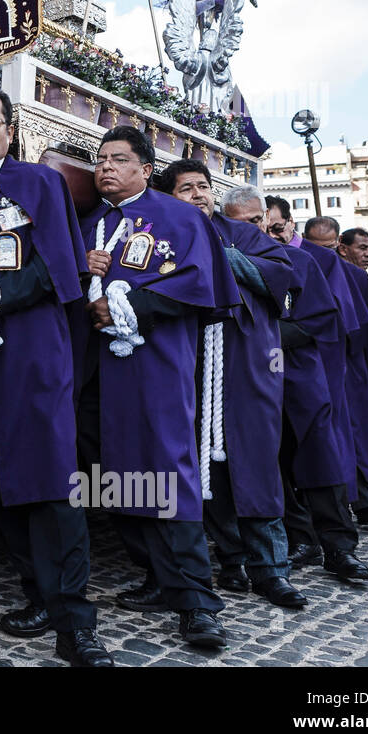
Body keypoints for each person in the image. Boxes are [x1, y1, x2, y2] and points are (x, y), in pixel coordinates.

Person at [0, 83, 112, 665]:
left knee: (51, 482)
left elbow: (62, 271)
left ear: (10, 132)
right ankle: (36, 592)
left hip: (32, 353)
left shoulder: (39, 184)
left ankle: (74, 622)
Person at [78, 127, 238, 649]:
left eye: (119, 160)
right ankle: (155, 574)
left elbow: (199, 287)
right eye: (100, 160)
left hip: (156, 369)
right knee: (114, 474)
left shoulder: (181, 218)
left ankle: (196, 602)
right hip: (96, 374)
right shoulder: (90, 226)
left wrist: (128, 304)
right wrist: (84, 275)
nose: (106, 168)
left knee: (167, 473)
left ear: (146, 169)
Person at [159, 168, 307, 610]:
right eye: (186, 188)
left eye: (203, 187)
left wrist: (221, 256)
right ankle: (232, 559)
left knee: (258, 463)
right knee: (208, 470)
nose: (198, 194)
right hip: (189, 368)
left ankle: (272, 569)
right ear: (170, 197)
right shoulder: (162, 235)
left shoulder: (240, 233)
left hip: (247, 366)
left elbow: (281, 278)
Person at [265, 206, 368, 584]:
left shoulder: (309, 261)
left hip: (304, 377)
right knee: (274, 463)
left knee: (321, 461)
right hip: (258, 383)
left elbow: (327, 319)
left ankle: (339, 548)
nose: (270, 231)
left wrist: (266, 334)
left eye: (275, 224)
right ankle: (300, 538)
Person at [307, 219, 368, 528]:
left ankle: (366, 500)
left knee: (356, 433)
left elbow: (366, 329)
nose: (326, 255)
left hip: (348, 370)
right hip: (310, 370)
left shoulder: (355, 277)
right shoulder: (296, 266)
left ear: (339, 247)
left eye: (331, 248)